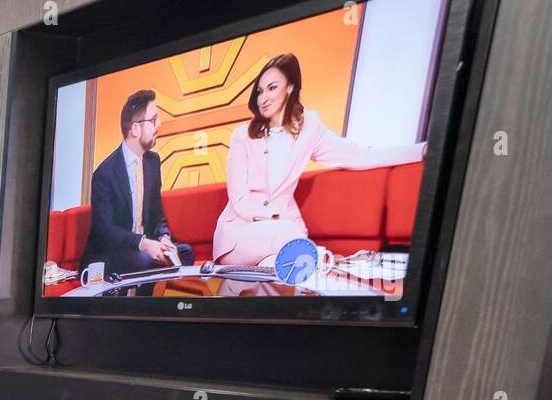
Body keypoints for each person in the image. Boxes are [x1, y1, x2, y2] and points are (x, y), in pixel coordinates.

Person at [213, 52, 426, 268]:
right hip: (240, 236)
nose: (263, 98)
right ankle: (318, 257)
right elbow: (239, 199)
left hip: (282, 240)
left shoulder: (309, 128)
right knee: (288, 237)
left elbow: (358, 155)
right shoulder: (242, 135)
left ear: (290, 87)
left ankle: (311, 268)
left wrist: (422, 150)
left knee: (280, 272)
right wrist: (278, 221)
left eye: (272, 88)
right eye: (260, 91)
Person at [79, 88, 193, 290]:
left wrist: (164, 238)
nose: (159, 125)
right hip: (114, 251)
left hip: (145, 247)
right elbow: (105, 231)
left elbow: (157, 215)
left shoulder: (152, 161)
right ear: (135, 129)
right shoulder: (104, 174)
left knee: (185, 252)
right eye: (154, 119)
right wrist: (143, 243)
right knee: (144, 261)